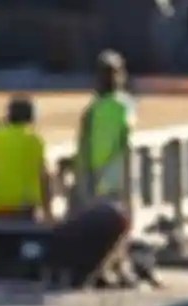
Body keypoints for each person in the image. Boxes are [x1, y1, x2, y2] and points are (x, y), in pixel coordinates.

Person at [76, 50, 136, 207]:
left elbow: (83, 144)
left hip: (99, 179)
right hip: (115, 178)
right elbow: (127, 138)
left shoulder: (93, 109)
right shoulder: (124, 105)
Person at [0, 95, 53, 221]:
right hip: (26, 206)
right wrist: (48, 211)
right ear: (31, 116)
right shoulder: (35, 140)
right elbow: (43, 174)